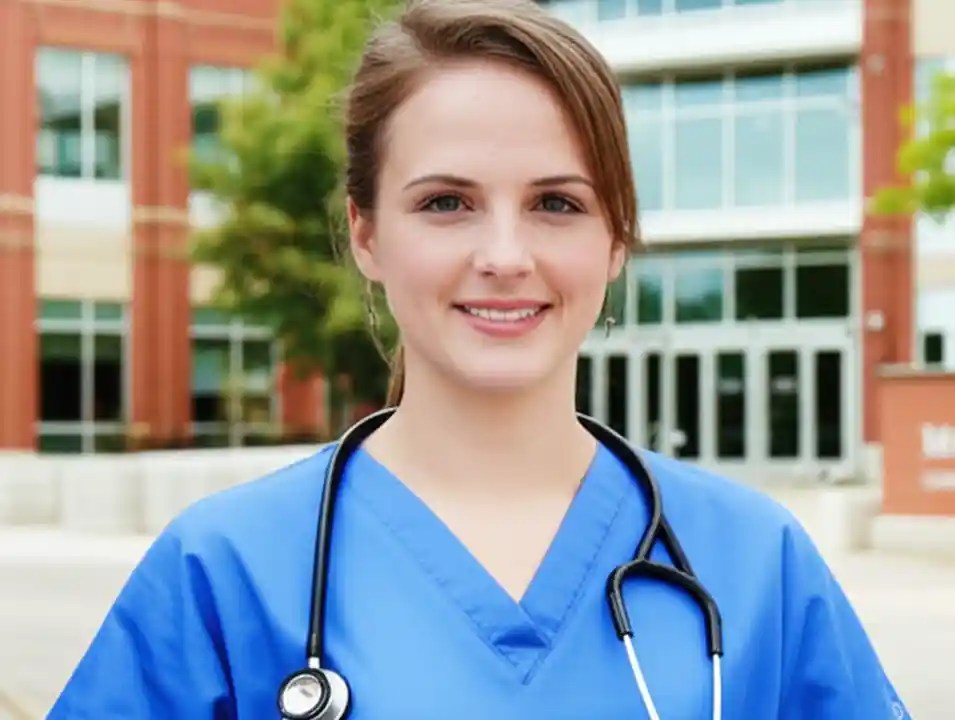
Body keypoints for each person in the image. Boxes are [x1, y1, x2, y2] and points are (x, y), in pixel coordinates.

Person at [48, 0, 911, 717]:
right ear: (367, 234)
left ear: (617, 241)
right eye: (448, 201)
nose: (505, 254)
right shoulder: (224, 570)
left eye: (557, 203)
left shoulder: (755, 565)